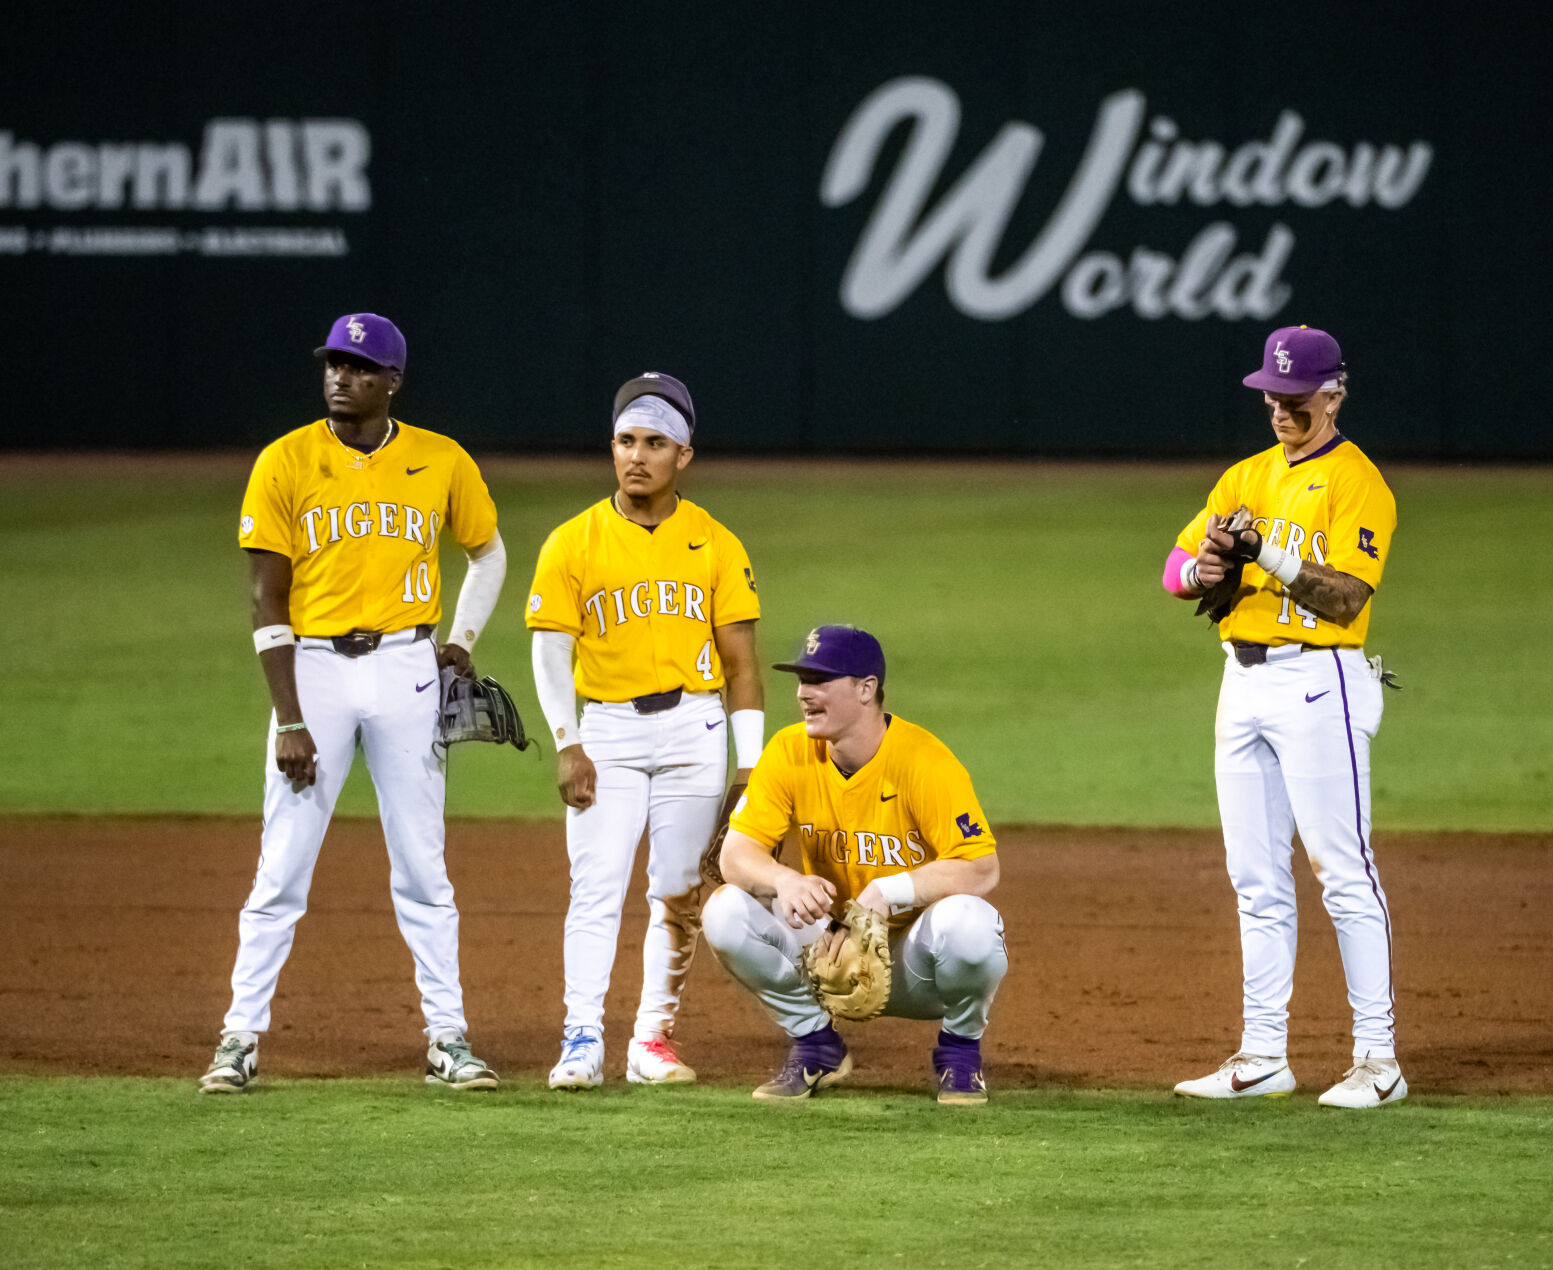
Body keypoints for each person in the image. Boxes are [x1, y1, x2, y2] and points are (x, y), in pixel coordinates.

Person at [200, 313, 508, 1094]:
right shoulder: (286, 461)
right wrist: (291, 718)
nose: (340, 376)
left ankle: (448, 1037)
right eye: (333, 363)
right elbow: (266, 599)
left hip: (408, 667)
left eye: (359, 367)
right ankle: (239, 1037)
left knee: (423, 866)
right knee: (282, 866)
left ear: (392, 381)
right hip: (314, 673)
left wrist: (461, 642)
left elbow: (488, 551)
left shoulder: (440, 460)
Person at [1163, 324, 1404, 1109]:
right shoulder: (1244, 476)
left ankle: (1378, 1058)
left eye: (1294, 398)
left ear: (1333, 394)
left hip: (1318, 682)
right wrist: (1198, 571)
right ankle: (1263, 1053)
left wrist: (1266, 556)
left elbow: (1344, 599)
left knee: (1342, 873)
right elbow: (1174, 566)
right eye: (1270, 394)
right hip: (1241, 682)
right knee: (1255, 881)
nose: (1278, 408)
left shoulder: (1357, 483)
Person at [526, 372, 764, 1089]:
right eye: (626, 441)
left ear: (683, 456)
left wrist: (748, 770)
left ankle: (650, 1039)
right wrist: (567, 742)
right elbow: (548, 651)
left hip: (695, 728)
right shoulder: (573, 541)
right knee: (594, 888)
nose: (636, 456)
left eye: (654, 442)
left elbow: (741, 666)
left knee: (677, 891)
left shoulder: (717, 544)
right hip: (607, 731)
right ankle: (580, 1038)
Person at [703, 625, 1007, 1105]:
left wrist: (889, 892)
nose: (805, 693)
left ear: (866, 689)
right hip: (828, 950)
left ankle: (960, 1052)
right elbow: (734, 856)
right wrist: (785, 879)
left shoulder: (924, 761)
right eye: (802, 680)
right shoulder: (789, 751)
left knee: (972, 926)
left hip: (915, 963)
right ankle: (816, 1043)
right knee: (724, 912)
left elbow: (981, 868)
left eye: (821, 680)